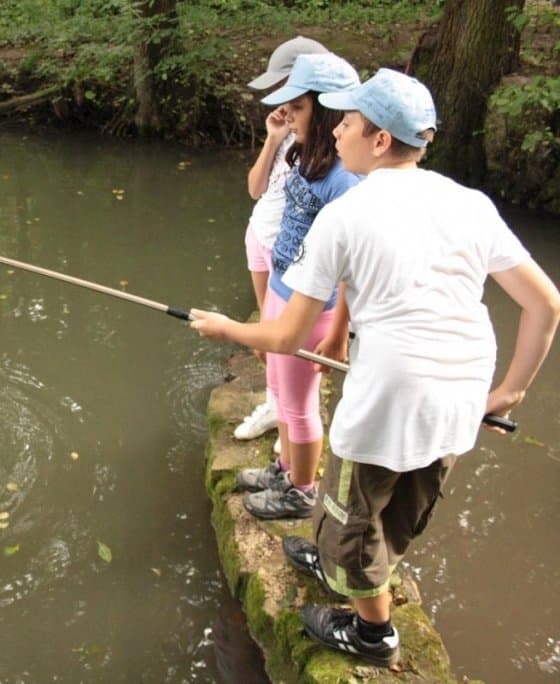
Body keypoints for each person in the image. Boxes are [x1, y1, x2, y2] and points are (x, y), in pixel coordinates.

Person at [190, 68, 560, 667]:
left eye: (350, 123)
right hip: (463, 389)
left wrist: (224, 327)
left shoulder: (347, 215)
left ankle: (371, 632)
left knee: (354, 509)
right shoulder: (467, 201)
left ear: (381, 139)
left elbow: (285, 334)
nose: (337, 133)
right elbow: (545, 303)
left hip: (391, 396)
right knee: (406, 503)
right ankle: (342, 564)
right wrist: (511, 391)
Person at [232, 52, 362, 521]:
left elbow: (351, 265)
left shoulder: (346, 179)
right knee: (281, 393)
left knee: (301, 404)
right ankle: (286, 469)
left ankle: (301, 491)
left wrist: (339, 331)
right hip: (283, 286)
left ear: (327, 112)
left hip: (314, 308)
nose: (288, 114)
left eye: (299, 107)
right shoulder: (303, 151)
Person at [234, 36, 329, 453]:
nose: (283, 103)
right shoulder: (285, 130)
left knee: (290, 342)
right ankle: (278, 406)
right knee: (262, 343)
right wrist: (273, 138)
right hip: (260, 237)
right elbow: (255, 190)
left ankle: (298, 419)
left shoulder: (331, 143)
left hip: (291, 254)